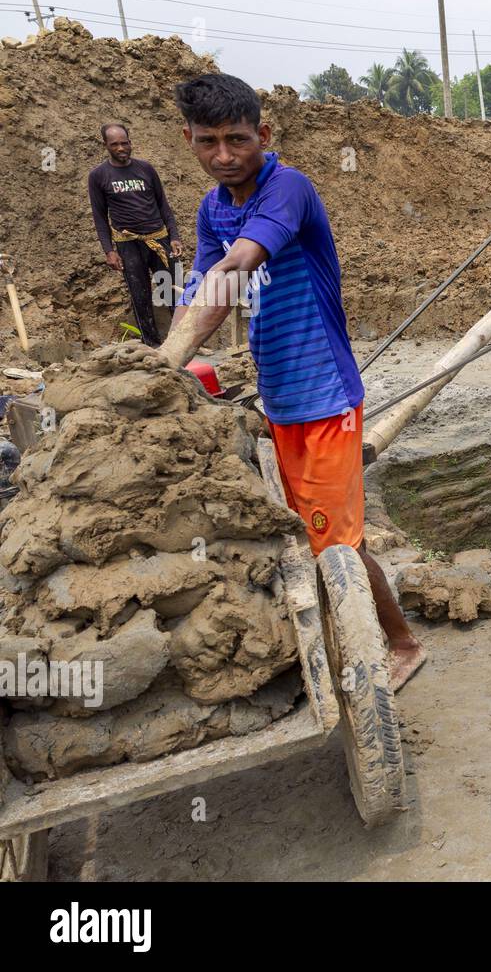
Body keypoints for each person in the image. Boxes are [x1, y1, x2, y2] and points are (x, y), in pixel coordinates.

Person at [156, 73, 425, 688]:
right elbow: (198, 286)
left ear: (264, 134)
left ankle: (403, 642)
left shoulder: (287, 189)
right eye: (207, 142)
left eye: (236, 139)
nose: (223, 156)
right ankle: (339, 631)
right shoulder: (211, 207)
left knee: (338, 546)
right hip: (280, 400)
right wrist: (161, 354)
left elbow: (239, 264)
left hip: (326, 397)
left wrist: (167, 358)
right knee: (310, 535)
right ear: (189, 140)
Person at [88, 123, 183, 346]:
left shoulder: (146, 169)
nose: (121, 148)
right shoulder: (98, 176)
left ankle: (183, 340)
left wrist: (174, 236)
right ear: (106, 146)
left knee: (172, 290)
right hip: (128, 243)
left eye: (125, 143)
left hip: (159, 238)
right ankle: (152, 345)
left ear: (130, 142)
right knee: (140, 295)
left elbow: (163, 205)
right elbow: (100, 217)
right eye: (115, 144)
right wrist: (109, 251)